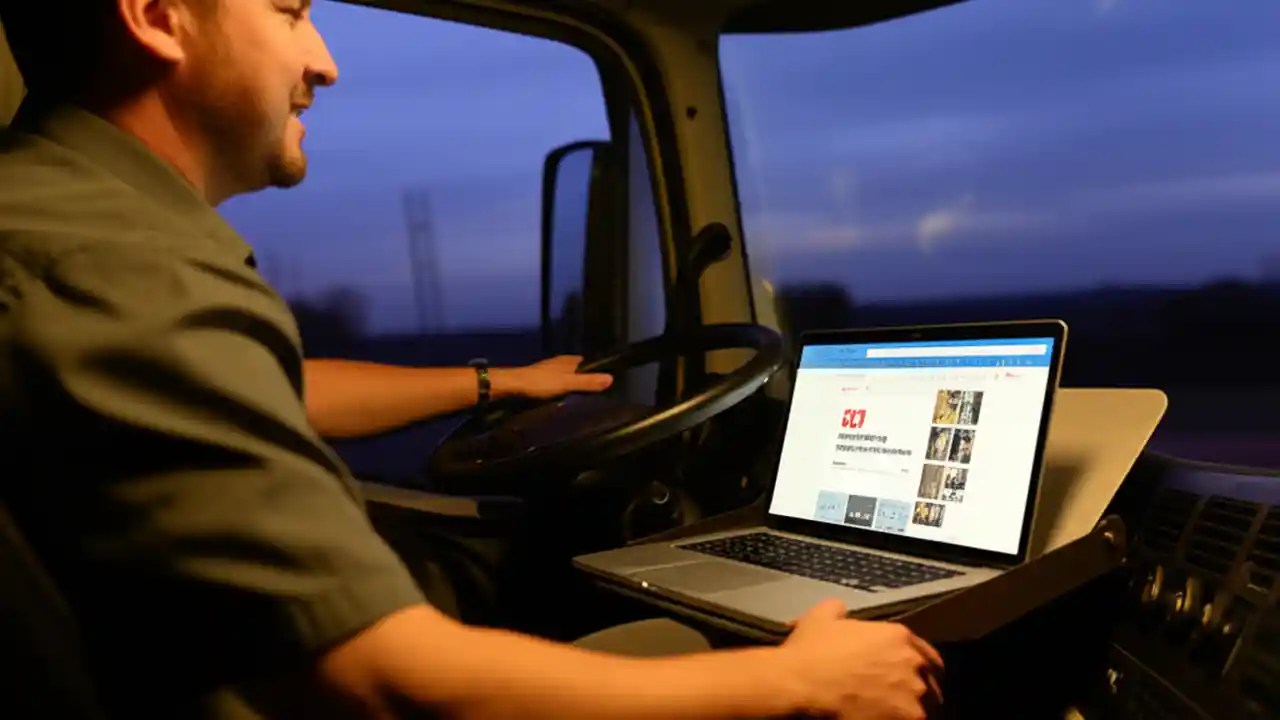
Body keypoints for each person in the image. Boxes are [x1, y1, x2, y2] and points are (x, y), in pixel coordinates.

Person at [0, 2, 944, 719]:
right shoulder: (116, 266)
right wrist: (792, 679)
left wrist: (504, 383)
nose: (323, 61)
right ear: (157, 16)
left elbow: (274, 392)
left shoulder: (65, 227)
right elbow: (381, 675)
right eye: (289, 11)